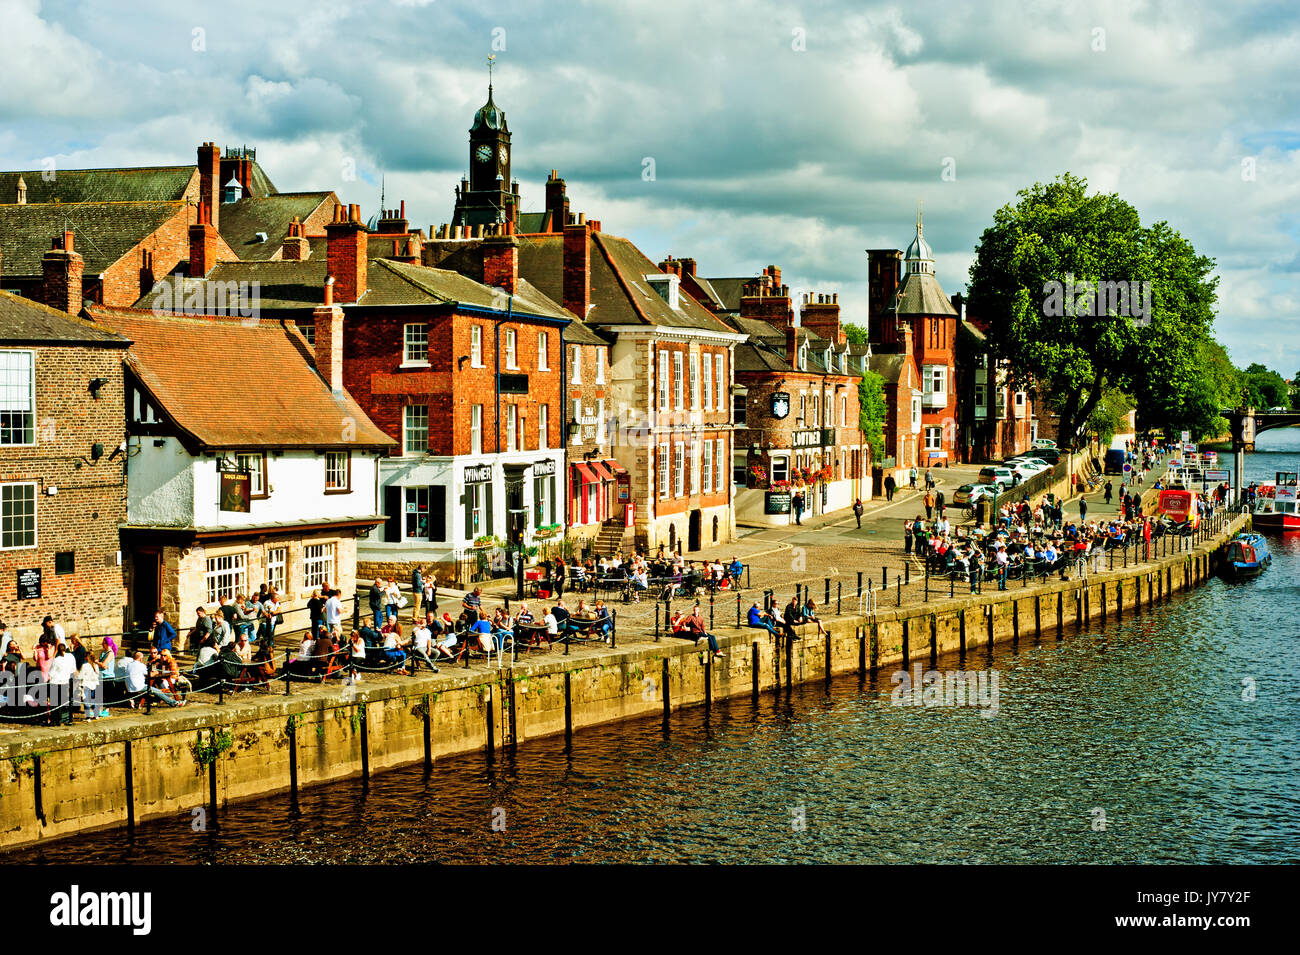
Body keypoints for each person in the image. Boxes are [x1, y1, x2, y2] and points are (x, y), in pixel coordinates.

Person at [48, 644, 77, 725]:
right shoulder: (71, 657)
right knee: (63, 702)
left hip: (55, 682)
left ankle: (55, 721)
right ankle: (65, 719)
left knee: (54, 703)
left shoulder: (56, 660)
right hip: (65, 681)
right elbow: (73, 669)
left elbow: (51, 673)